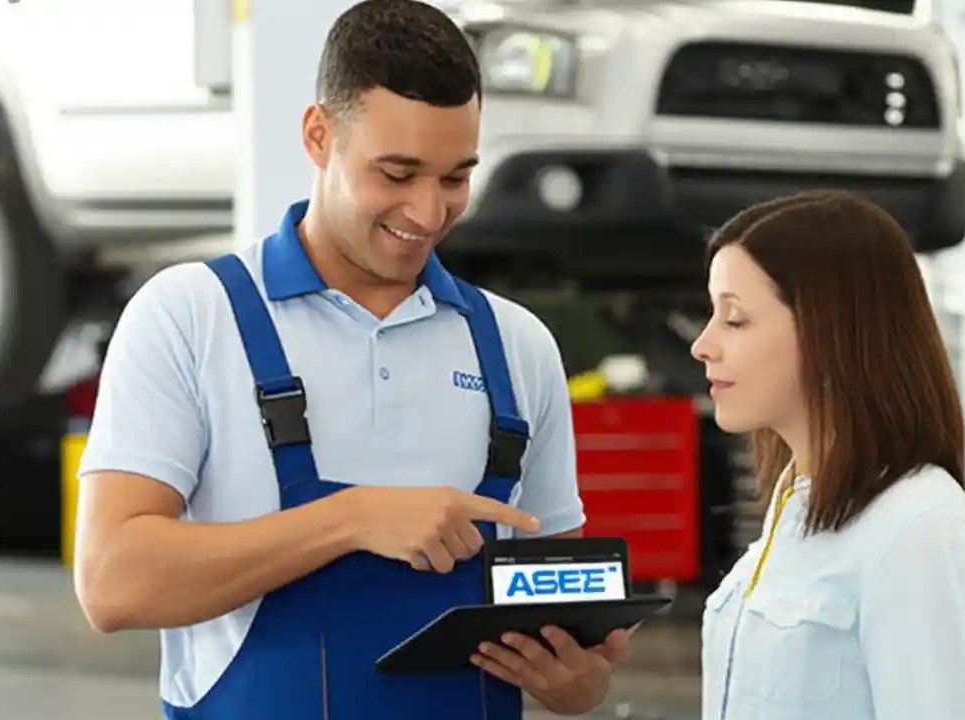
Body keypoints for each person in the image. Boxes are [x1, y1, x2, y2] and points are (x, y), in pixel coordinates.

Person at [71, 2, 630, 718]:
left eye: (455, 177)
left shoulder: (518, 347)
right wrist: (354, 519)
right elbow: (113, 582)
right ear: (318, 135)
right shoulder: (191, 317)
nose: (428, 213)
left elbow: (567, 613)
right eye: (397, 174)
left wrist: (579, 686)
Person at [691, 190, 965, 720]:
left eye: (736, 319)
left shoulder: (914, 526)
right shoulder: (796, 504)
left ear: (830, 329)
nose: (703, 344)